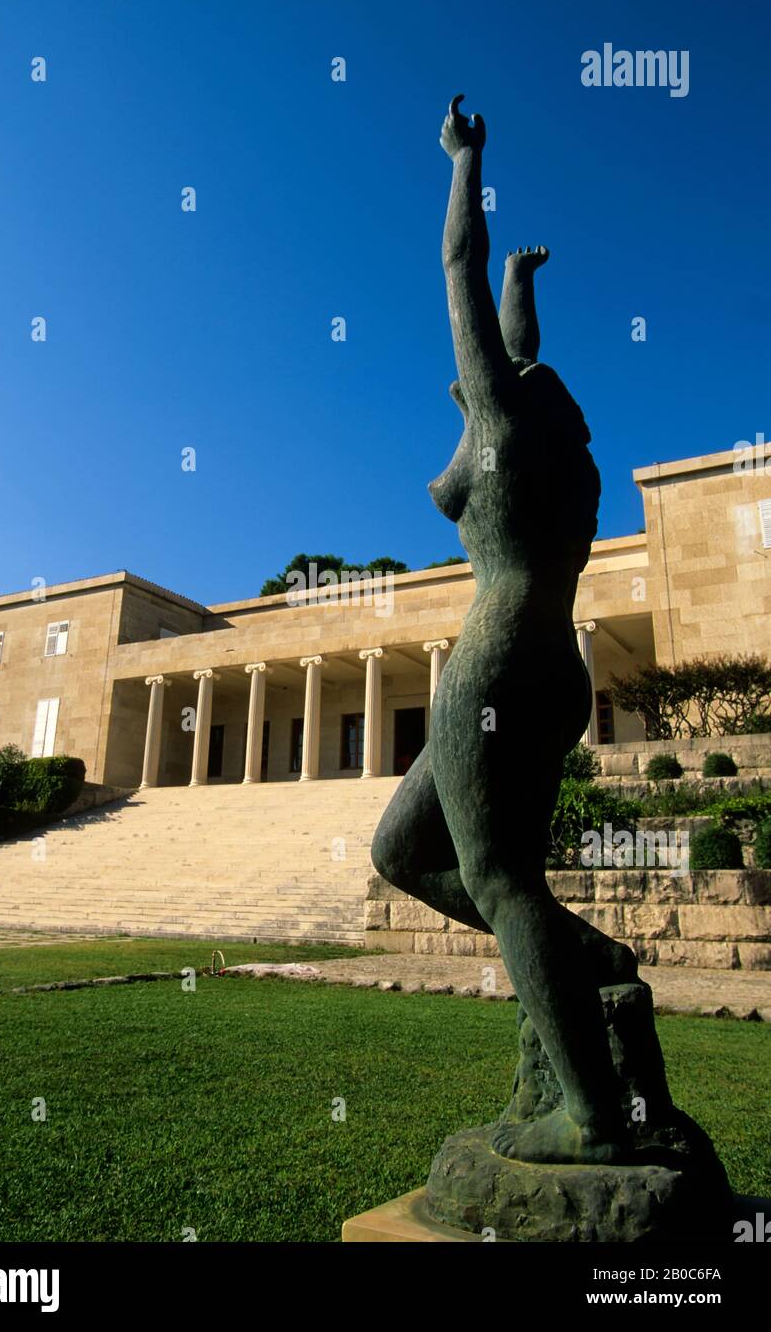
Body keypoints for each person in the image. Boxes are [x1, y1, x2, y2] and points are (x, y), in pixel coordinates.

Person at [371, 95, 638, 1165]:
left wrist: (462, 162)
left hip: (495, 652)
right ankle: (580, 957)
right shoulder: (537, 442)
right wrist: (524, 288)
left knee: (498, 881)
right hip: (543, 659)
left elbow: (454, 272)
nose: (475, 370)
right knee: (399, 850)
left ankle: (591, 1117)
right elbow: (512, 338)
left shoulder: (497, 418)